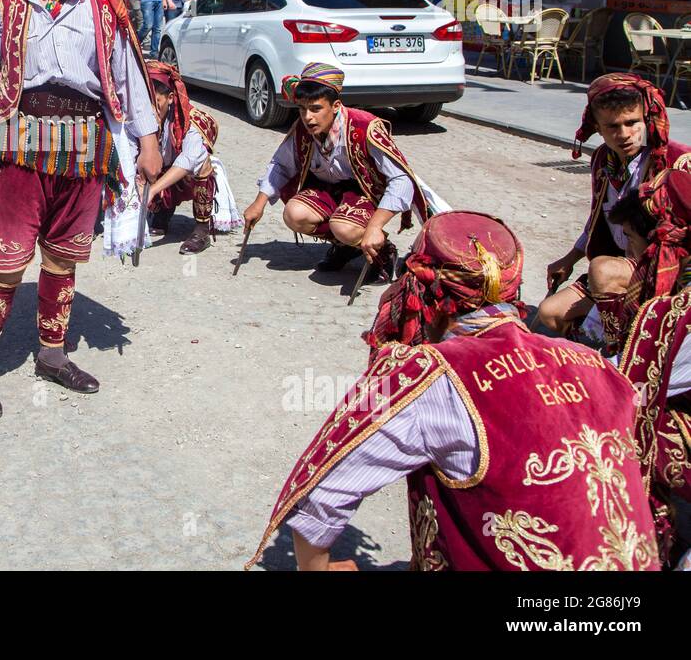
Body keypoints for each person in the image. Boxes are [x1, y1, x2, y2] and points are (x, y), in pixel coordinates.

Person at [247, 211, 660, 571]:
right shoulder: (595, 364)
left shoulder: (438, 376)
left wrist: (316, 568)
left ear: (425, 292)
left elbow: (325, 494)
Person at [0, 0, 162, 419]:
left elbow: (127, 73)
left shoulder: (103, 7)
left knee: (63, 260)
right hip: (22, 144)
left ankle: (51, 353)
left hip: (85, 149)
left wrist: (149, 139)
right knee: (5, 265)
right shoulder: (5, 6)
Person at [242, 63, 438, 283]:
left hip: (365, 191)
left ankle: (382, 250)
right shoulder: (303, 129)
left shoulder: (364, 126)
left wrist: (375, 226)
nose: (308, 117)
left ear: (335, 106)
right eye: (302, 109)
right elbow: (281, 164)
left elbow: (401, 179)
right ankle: (344, 246)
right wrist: (258, 203)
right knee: (294, 214)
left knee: (343, 227)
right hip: (327, 188)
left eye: (316, 109)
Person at [536, 74, 690, 340]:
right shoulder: (601, 161)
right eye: (613, 127)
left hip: (665, 275)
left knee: (602, 271)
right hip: (619, 268)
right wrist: (570, 258)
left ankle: (620, 351)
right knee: (550, 313)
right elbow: (596, 218)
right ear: (597, 127)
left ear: (646, 118)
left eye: (632, 123)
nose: (624, 135)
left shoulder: (675, 162)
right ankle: (604, 340)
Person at [612, 169, 691, 563]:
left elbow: (636, 382)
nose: (629, 251)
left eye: (632, 239)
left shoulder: (678, 313)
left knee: (638, 426)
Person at [143, 60, 241, 254]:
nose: (150, 110)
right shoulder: (140, 116)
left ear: (170, 98)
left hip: (187, 174)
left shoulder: (193, 122)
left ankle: (202, 229)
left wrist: (153, 189)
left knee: (202, 166)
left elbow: (188, 160)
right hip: (163, 170)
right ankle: (162, 211)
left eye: (156, 102)